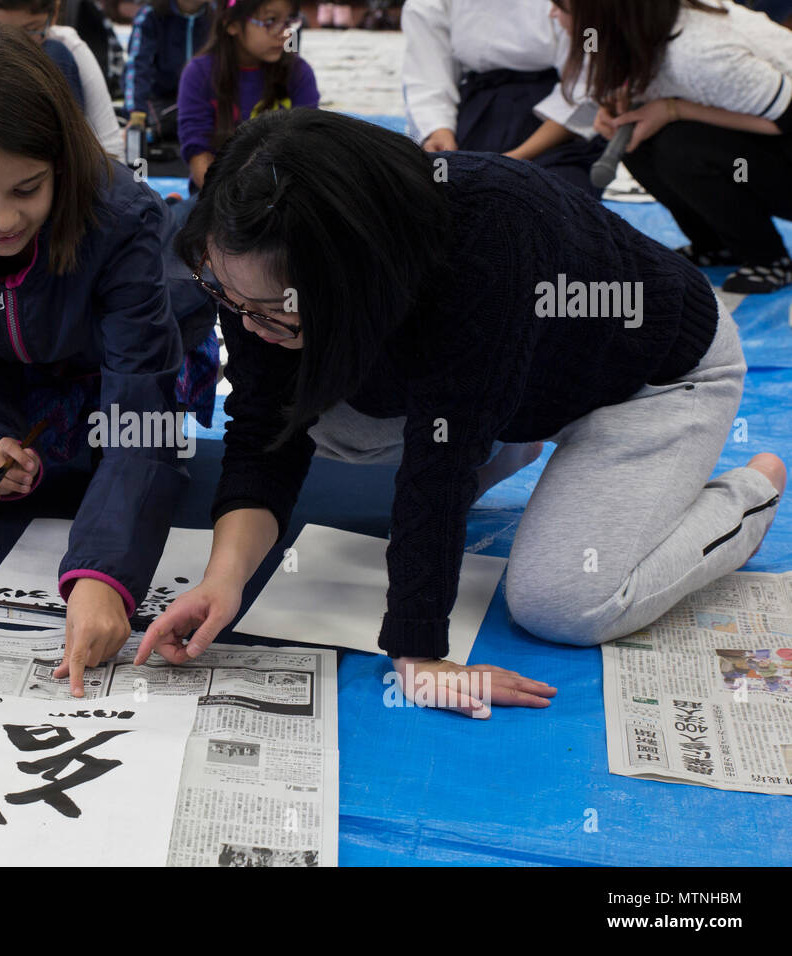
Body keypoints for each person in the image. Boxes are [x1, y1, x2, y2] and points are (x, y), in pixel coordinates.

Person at [139, 109, 786, 718]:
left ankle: (749, 492)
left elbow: (440, 457)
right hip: (519, 379)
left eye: (276, 312)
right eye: (231, 298)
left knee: (564, 603)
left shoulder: (491, 233)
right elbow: (263, 427)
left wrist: (419, 654)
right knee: (328, 422)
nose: (250, 326)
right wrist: (223, 580)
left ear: (356, 270)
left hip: (651, 381)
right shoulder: (247, 256)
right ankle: (517, 437)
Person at [0, 28, 215, 696]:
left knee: (130, 454)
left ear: (62, 167)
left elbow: (137, 408)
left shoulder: (122, 219)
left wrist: (103, 577)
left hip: (134, 361)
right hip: (33, 372)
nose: (4, 219)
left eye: (27, 188)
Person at [559, 0, 792, 294]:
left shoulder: (697, 52)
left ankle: (768, 258)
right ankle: (717, 244)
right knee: (637, 139)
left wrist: (673, 110)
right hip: (764, 135)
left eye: (562, 7)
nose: (553, 13)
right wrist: (618, 109)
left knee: (682, 147)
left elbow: (788, 116)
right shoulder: (639, 29)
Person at [402, 0, 605, 195]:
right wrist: (439, 132)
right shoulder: (427, 4)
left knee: (553, 200)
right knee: (441, 189)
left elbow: (589, 87)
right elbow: (428, 76)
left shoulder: (579, 14)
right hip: (476, 113)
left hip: (557, 129)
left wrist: (511, 161)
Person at [177, 0, 318, 190]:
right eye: (270, 20)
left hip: (282, 195)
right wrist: (226, 201)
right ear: (231, 23)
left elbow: (306, 147)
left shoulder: (298, 73)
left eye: (288, 22)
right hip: (215, 195)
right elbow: (197, 151)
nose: (284, 33)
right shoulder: (199, 73)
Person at [0, 0, 126, 159]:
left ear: (53, 16)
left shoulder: (63, 49)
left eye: (30, 30)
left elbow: (110, 146)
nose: (12, 43)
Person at [125, 0, 214, 143]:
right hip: (163, 100)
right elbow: (137, 65)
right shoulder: (151, 14)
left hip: (205, 98)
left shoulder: (217, 15)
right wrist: (137, 111)